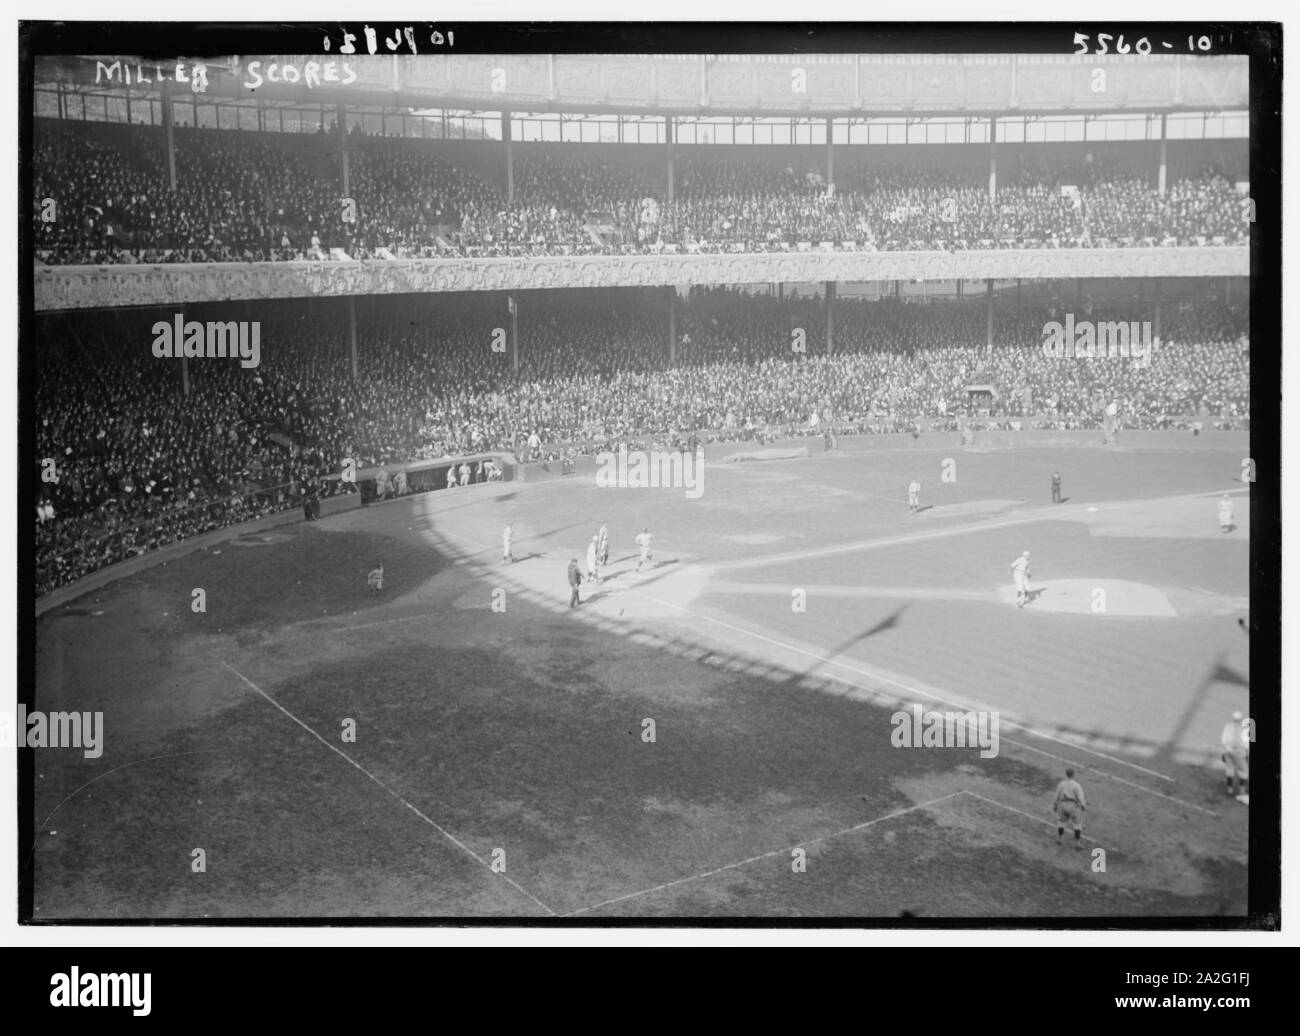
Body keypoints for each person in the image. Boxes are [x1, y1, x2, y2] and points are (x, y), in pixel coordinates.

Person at [1053, 768, 1087, 849]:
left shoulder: (1061, 784)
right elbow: (1081, 798)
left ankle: (1059, 839)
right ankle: (1078, 843)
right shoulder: (1077, 785)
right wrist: (1083, 806)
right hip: (1073, 807)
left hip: (1063, 805)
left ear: (1066, 774)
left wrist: (1055, 805)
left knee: (1061, 823)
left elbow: (1056, 795)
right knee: (1077, 825)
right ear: (1073, 775)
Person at [1220, 710, 1250, 800]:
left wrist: (1225, 751)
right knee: (1243, 771)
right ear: (1241, 719)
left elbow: (1223, 740)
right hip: (1239, 752)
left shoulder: (1227, 727)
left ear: (1233, 718)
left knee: (1230, 769)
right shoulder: (1244, 729)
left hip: (1228, 750)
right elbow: (1246, 744)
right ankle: (1242, 791)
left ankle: (1230, 790)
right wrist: (1247, 755)